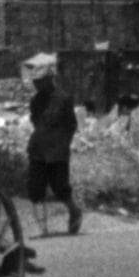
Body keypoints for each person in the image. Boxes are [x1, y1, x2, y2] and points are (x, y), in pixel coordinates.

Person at [25, 59, 81, 237]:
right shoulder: (35, 101)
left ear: (50, 80)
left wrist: (63, 144)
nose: (37, 85)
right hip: (38, 148)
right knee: (36, 189)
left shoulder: (63, 99)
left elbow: (71, 125)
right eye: (35, 82)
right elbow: (35, 121)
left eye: (40, 81)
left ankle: (74, 211)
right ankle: (43, 230)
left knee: (60, 187)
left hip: (57, 150)